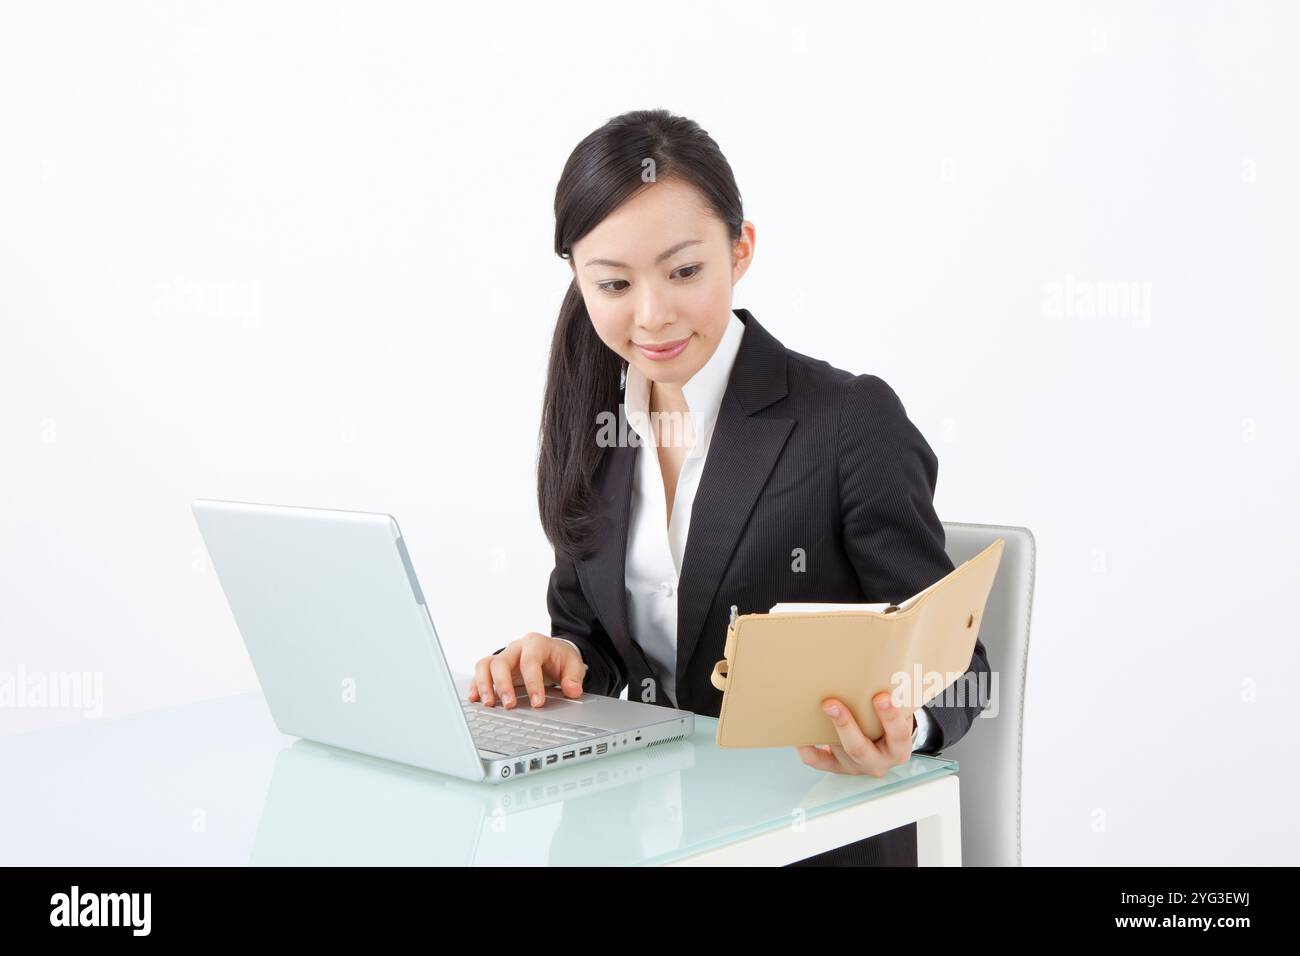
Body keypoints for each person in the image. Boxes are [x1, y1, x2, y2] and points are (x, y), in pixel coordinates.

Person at [469, 108, 990, 865]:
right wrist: (556, 661)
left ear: (740, 250)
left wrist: (904, 726)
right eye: (613, 283)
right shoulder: (594, 431)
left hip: (808, 836)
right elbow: (601, 648)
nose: (652, 316)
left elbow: (961, 669)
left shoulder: (847, 421)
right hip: (643, 838)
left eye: (684, 271)